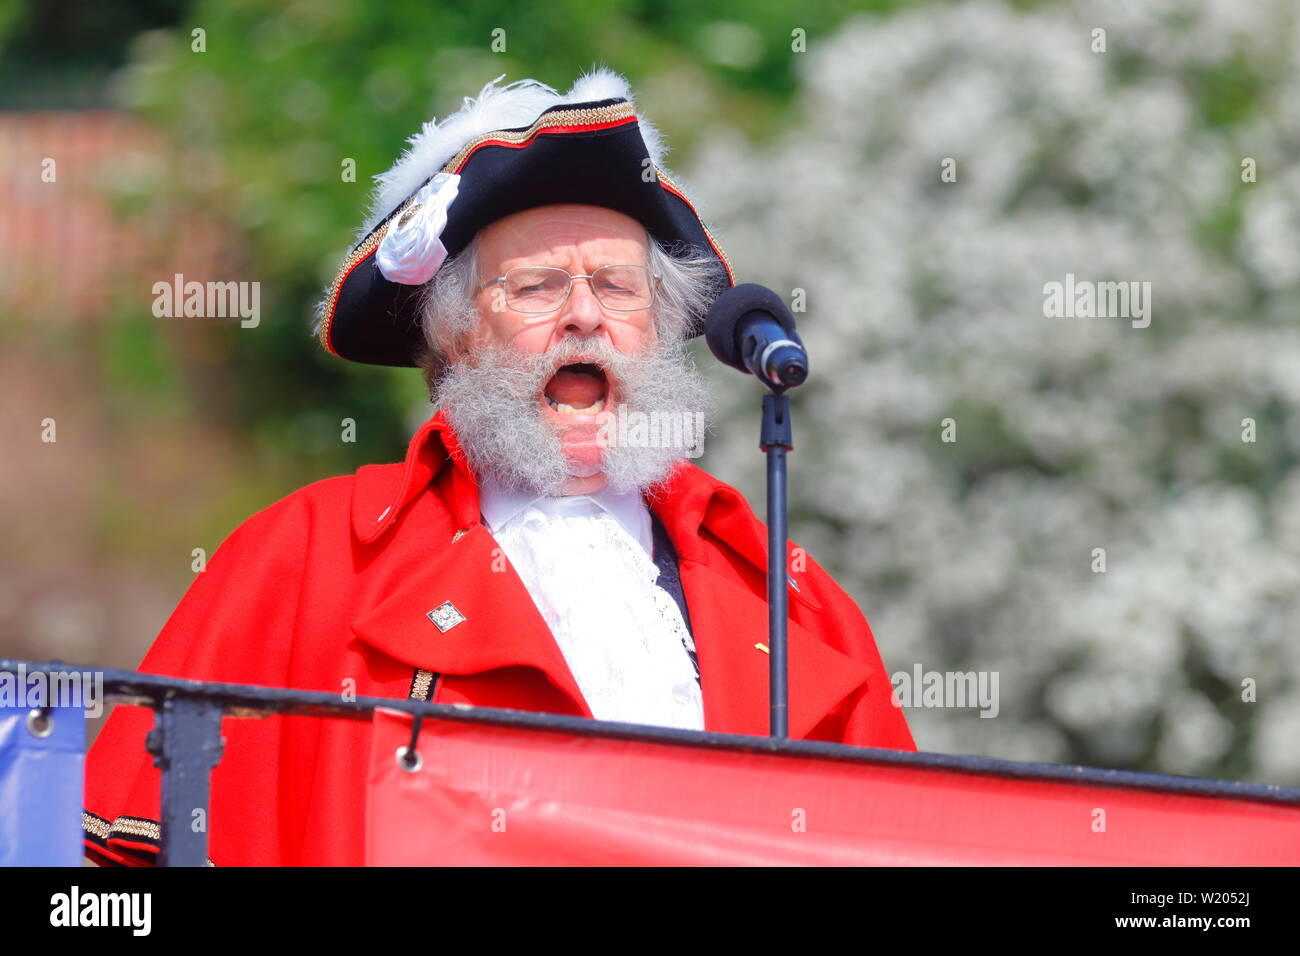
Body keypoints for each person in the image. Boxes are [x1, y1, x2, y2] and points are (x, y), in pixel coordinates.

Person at [82, 68, 915, 867]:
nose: (585, 316)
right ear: (453, 333)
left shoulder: (788, 597)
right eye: (539, 287)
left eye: (619, 289)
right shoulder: (309, 557)